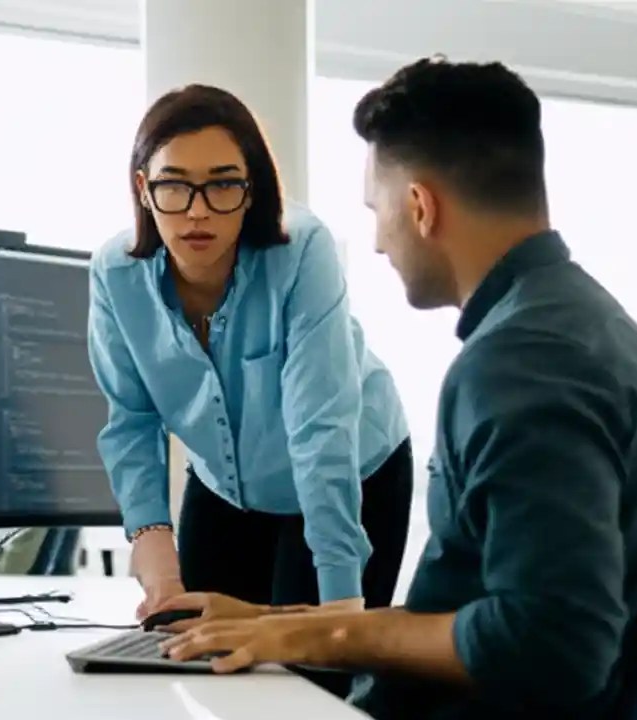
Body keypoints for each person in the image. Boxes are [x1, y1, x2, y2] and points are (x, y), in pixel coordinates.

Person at [158, 58, 637, 719]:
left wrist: (317, 632)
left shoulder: (523, 362)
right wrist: (275, 621)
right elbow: (495, 612)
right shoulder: (580, 325)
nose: (377, 243)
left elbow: (553, 642)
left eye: (378, 212)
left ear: (421, 206)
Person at [87, 84, 413, 619]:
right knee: (195, 647)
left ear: (252, 189)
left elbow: (320, 424)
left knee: (309, 676)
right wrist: (159, 570)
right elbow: (131, 422)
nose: (197, 213)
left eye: (222, 186)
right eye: (174, 186)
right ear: (143, 189)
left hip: (348, 472)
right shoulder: (115, 274)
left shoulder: (302, 249)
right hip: (225, 487)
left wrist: (339, 611)